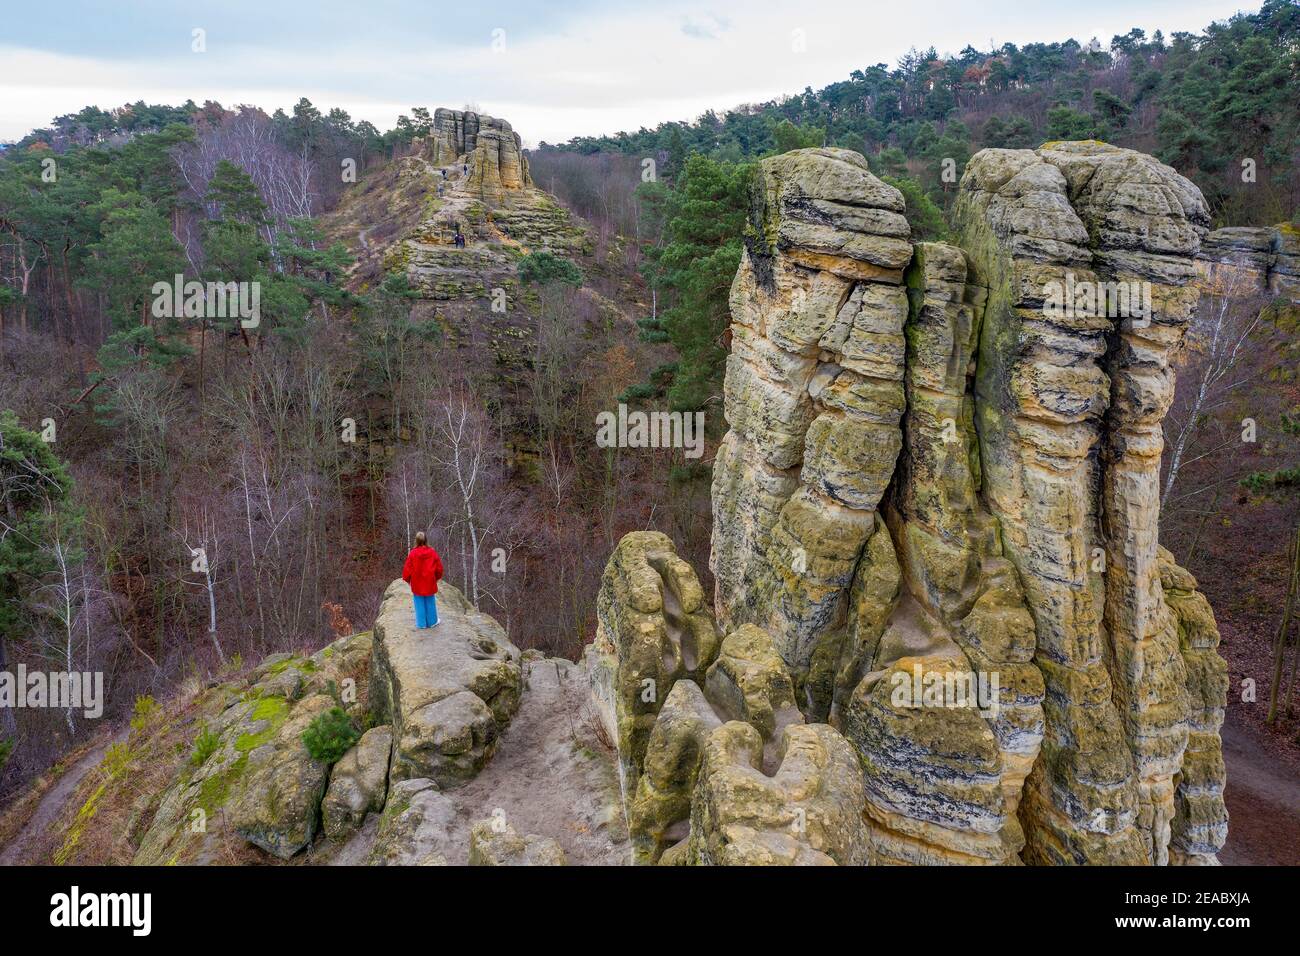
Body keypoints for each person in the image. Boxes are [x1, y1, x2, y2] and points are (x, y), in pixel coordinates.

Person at [402, 531, 444, 628]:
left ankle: (421, 624)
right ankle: (432, 622)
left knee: (419, 602)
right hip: (429, 582)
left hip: (417, 583)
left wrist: (408, 580)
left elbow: (407, 570)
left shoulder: (412, 553)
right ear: (426, 540)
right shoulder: (432, 552)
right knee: (430, 601)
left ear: (416, 541)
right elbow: (439, 569)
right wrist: (436, 578)